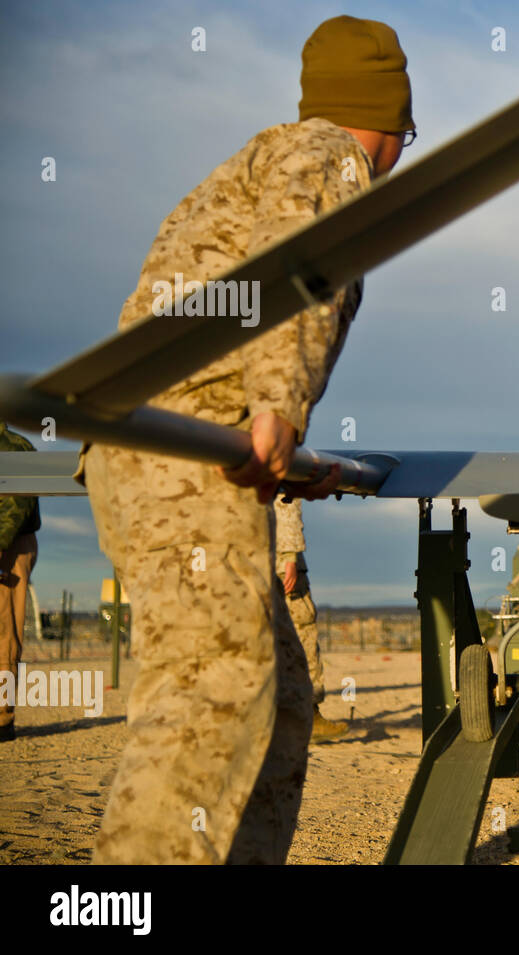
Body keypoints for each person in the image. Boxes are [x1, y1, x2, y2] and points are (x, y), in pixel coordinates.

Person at [81, 15, 414, 864]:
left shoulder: (265, 159)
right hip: (182, 453)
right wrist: (278, 407)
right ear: (390, 124)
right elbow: (295, 262)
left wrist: (281, 445)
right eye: (407, 134)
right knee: (208, 698)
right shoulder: (329, 155)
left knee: (285, 696)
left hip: (169, 445)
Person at [275, 496, 347, 741]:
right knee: (301, 634)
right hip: (278, 562)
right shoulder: (275, 458)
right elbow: (285, 499)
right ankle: (309, 715)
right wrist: (290, 555)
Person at [0, 421, 40, 743]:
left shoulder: (14, 446)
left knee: (4, 635)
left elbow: (18, 504)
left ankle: (1, 719)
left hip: (9, 546)